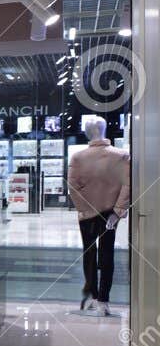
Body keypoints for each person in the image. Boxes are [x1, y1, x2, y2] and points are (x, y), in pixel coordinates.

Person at [68, 117, 130, 315]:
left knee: (90, 254)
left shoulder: (78, 158)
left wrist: (85, 209)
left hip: (89, 214)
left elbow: (72, 188)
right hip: (109, 214)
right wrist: (116, 212)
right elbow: (127, 186)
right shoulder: (121, 156)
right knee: (106, 255)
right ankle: (103, 300)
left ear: (88, 132)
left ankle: (96, 297)